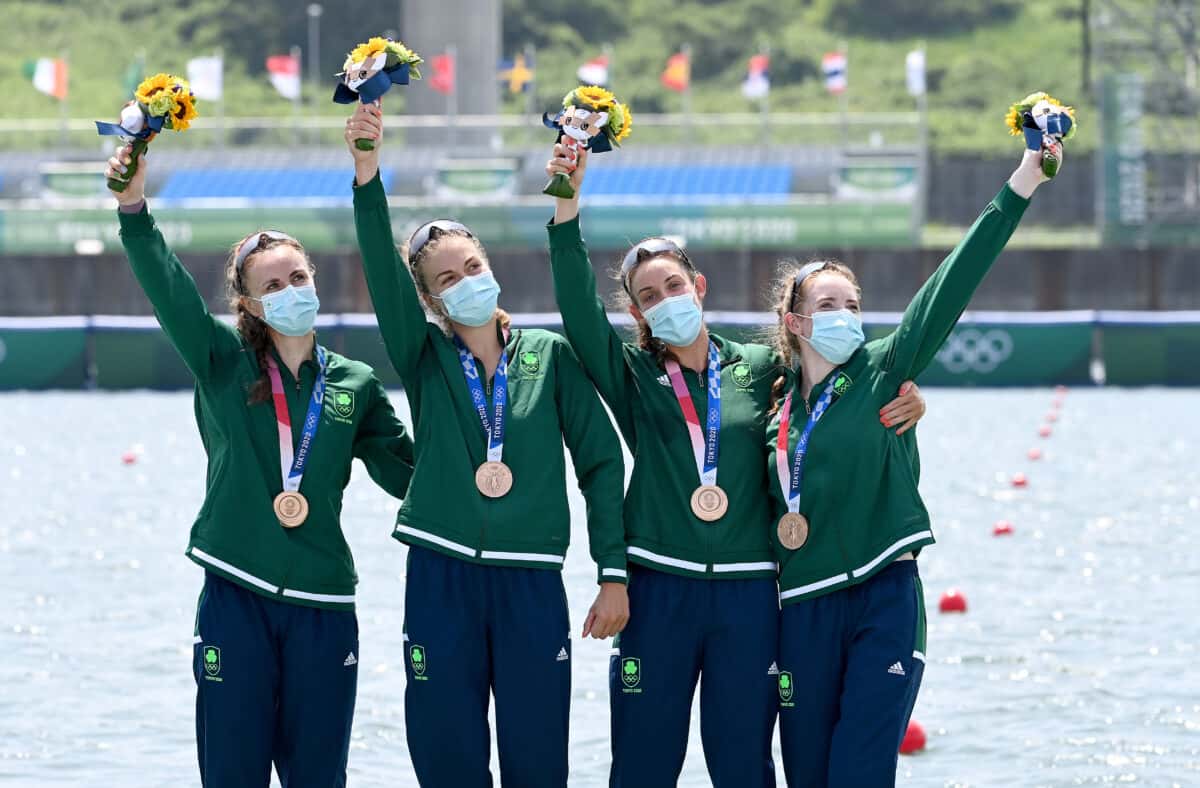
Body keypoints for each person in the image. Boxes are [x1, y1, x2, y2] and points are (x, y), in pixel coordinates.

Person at [544, 144, 926, 786]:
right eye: (648, 295)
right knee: (641, 764)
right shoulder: (632, 375)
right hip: (659, 587)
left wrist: (906, 398)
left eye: (674, 285)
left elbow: (834, 390)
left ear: (698, 288)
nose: (665, 299)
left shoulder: (761, 369)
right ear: (636, 312)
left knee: (745, 766)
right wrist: (566, 204)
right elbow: (578, 310)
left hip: (752, 595)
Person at [104, 143, 416, 787]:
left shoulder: (354, 382)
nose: (290, 290)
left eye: (297, 278)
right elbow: (169, 289)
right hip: (235, 595)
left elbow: (410, 476)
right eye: (271, 285)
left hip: (324, 606)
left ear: (314, 281)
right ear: (248, 303)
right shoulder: (221, 362)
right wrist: (134, 208)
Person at [345, 102, 629, 788]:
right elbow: (384, 277)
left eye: (471, 266)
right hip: (441, 578)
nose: (465, 281)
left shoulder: (551, 358)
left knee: (537, 768)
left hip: (532, 580)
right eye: (446, 278)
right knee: (449, 766)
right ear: (431, 299)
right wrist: (367, 171)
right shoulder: (423, 356)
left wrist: (613, 572)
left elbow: (598, 462)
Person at [764, 141, 1061, 787]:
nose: (847, 316)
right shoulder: (773, 400)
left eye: (853, 303)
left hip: (884, 596)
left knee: (860, 775)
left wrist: (1022, 181)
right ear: (795, 322)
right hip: (803, 608)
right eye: (829, 306)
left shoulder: (887, 370)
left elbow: (953, 280)